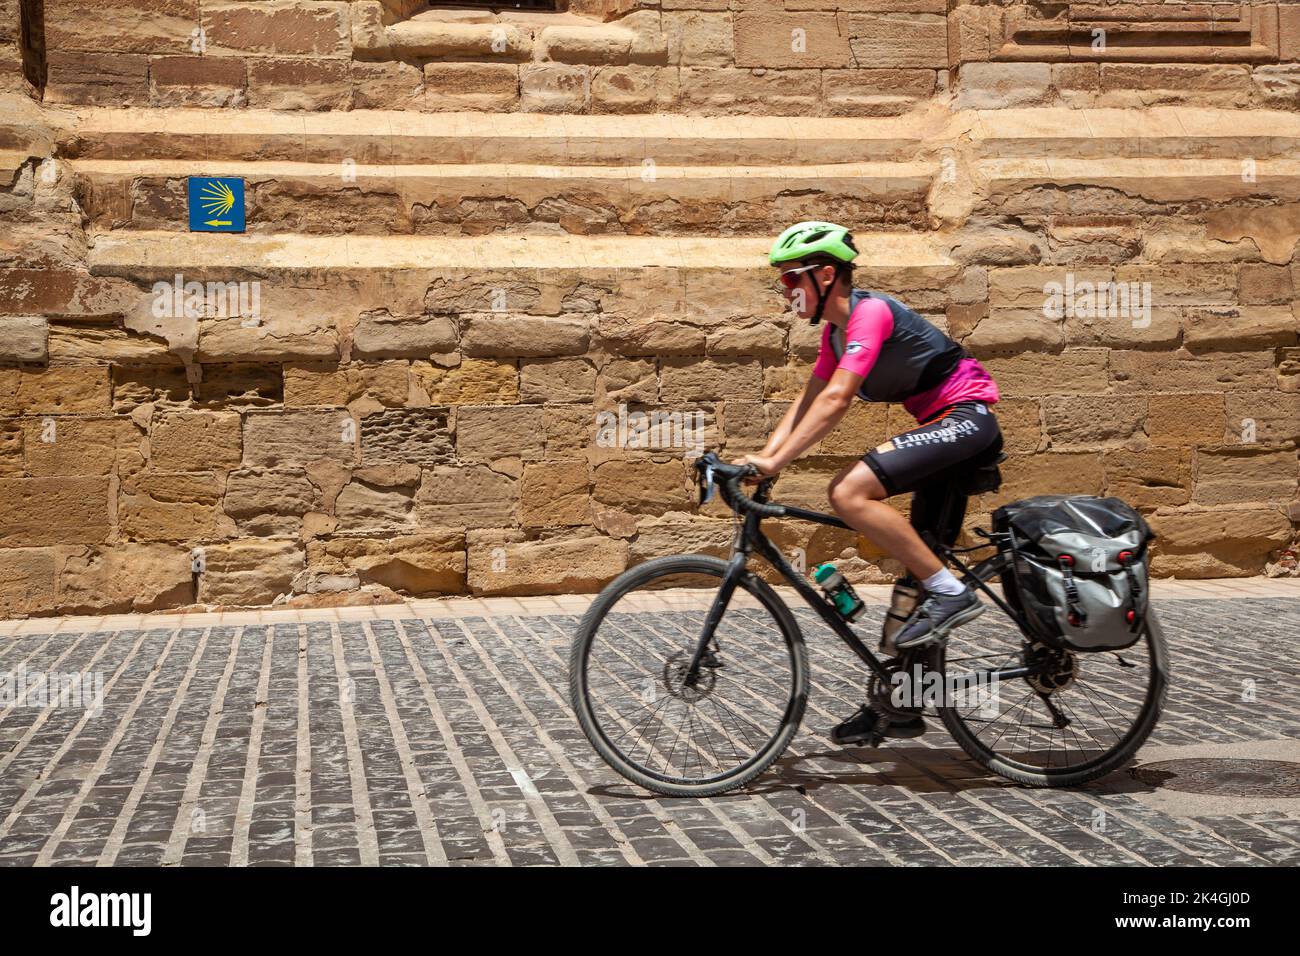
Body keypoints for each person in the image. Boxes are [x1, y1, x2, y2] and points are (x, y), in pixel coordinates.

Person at [735, 221, 1004, 744]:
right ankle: (897, 706)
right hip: (942, 428)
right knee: (912, 582)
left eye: (793, 279)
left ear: (827, 274)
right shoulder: (835, 335)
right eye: (783, 282)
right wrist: (764, 459)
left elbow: (837, 401)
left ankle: (952, 593)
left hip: (966, 420)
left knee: (847, 492)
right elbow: (809, 400)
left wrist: (775, 463)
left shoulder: (870, 314)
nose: (786, 292)